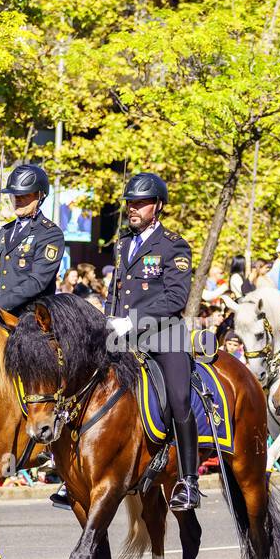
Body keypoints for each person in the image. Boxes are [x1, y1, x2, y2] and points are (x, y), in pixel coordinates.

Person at [106, 171, 201, 511]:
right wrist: (108, 320)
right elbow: (115, 292)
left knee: (178, 398)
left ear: (157, 206)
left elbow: (175, 298)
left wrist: (130, 322)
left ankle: (189, 481)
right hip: (123, 335)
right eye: (130, 202)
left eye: (141, 203)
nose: (133, 208)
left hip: (164, 336)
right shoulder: (122, 244)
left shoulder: (173, 245)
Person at [0, 163, 63, 321]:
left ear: (40, 196)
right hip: (1, 317)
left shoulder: (50, 233)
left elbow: (37, 282)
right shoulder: (5, 231)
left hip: (30, 320)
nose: (18, 200)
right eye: (15, 195)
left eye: (25, 195)